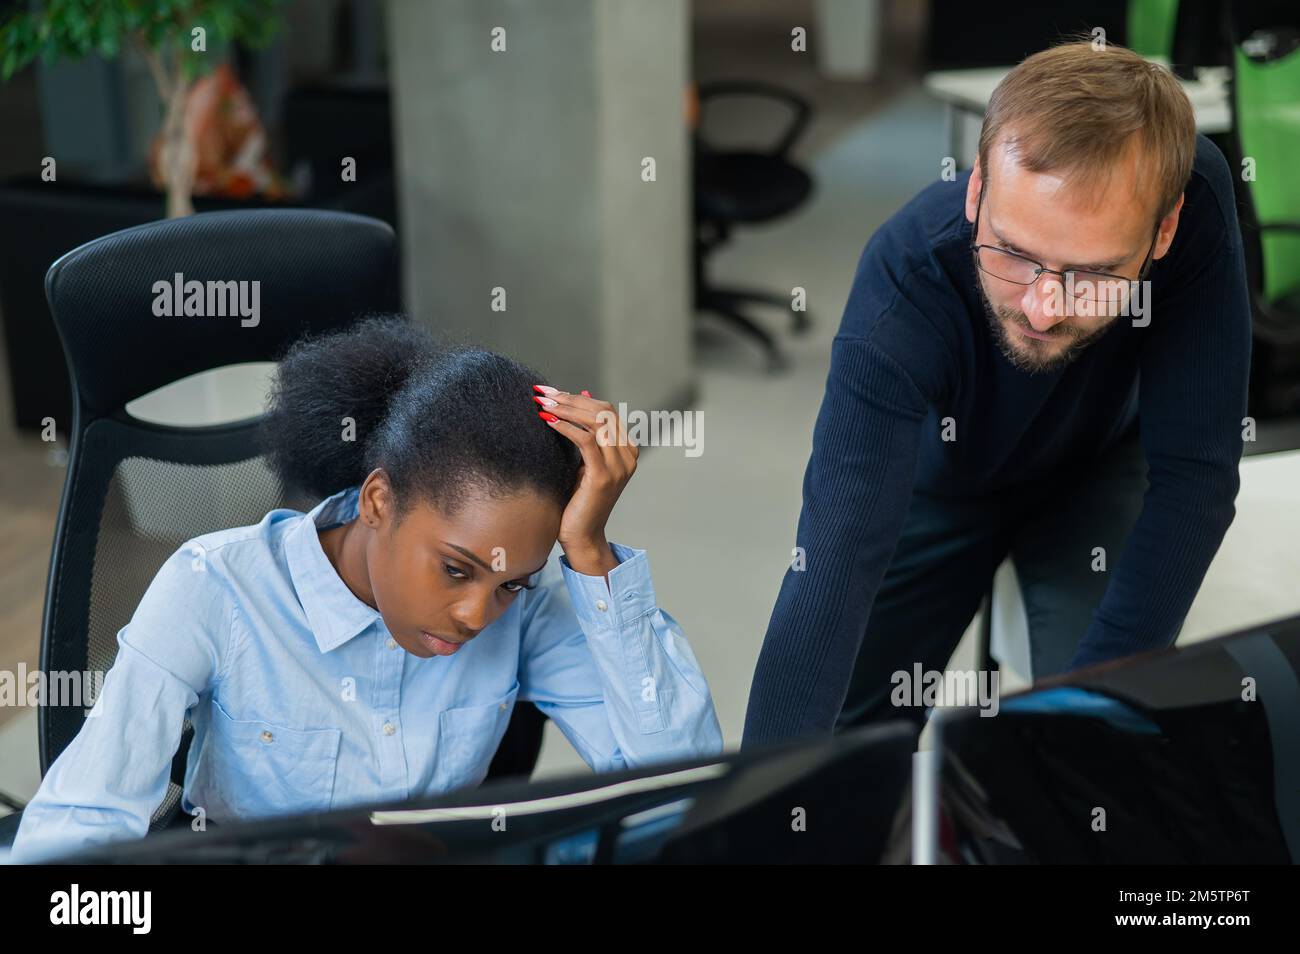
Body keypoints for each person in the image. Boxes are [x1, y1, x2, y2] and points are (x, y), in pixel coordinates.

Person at [11, 315, 722, 862]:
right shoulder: (218, 588)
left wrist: (589, 552)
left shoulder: (523, 605)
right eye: (455, 568)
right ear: (379, 499)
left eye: (511, 582)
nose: (478, 613)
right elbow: (81, 826)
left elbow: (676, 788)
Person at [744, 39, 1251, 745]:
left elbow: (1196, 473)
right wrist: (762, 807)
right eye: (1013, 254)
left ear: (1163, 229)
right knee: (851, 737)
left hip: (1099, 469)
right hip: (943, 479)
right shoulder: (905, 281)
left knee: (1102, 722)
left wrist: (1089, 733)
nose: (1044, 308)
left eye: (1092, 273)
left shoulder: (1189, 196)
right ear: (977, 188)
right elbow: (836, 553)